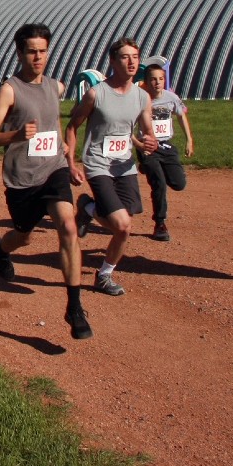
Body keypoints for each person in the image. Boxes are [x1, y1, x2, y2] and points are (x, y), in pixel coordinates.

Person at [0, 23, 92, 340]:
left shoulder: (56, 87)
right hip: (23, 179)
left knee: (68, 227)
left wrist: (63, 148)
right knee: (23, 237)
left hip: (53, 170)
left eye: (43, 51)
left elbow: (51, 121)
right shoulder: (9, 90)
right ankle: (1, 248)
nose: (38, 57)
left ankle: (75, 307)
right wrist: (15, 135)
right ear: (19, 53)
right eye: (31, 52)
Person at [66, 37, 157, 296]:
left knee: (124, 221)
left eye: (135, 57)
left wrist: (150, 142)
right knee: (123, 225)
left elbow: (147, 131)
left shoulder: (142, 97)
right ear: (113, 62)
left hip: (124, 166)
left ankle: (88, 207)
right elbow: (72, 127)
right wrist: (71, 163)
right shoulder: (97, 94)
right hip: (98, 163)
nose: (132, 62)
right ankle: (104, 275)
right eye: (125, 57)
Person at [136, 64, 195, 241]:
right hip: (147, 148)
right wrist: (140, 146)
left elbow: (181, 115)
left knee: (179, 184)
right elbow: (128, 124)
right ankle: (160, 223)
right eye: (153, 79)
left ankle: (147, 167)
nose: (158, 82)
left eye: (161, 79)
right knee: (159, 184)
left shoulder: (171, 97)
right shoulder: (140, 99)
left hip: (166, 146)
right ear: (146, 82)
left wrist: (189, 140)